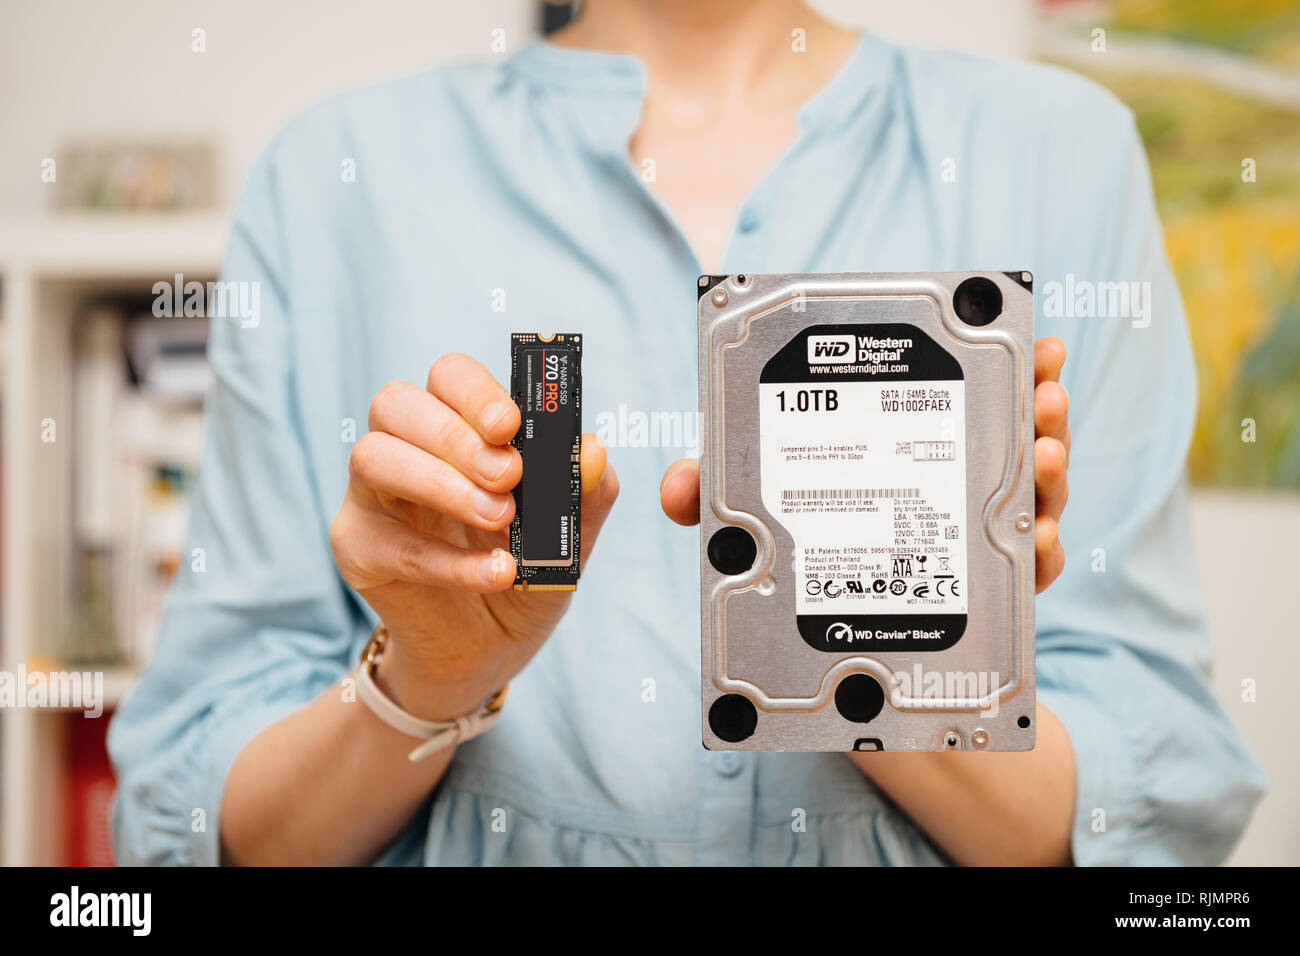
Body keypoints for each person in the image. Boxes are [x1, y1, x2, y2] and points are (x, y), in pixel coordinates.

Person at [108, 0, 1264, 866]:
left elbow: (1139, 803)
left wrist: (848, 637)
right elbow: (205, 815)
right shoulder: (332, 180)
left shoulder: (1057, 151)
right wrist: (431, 676)